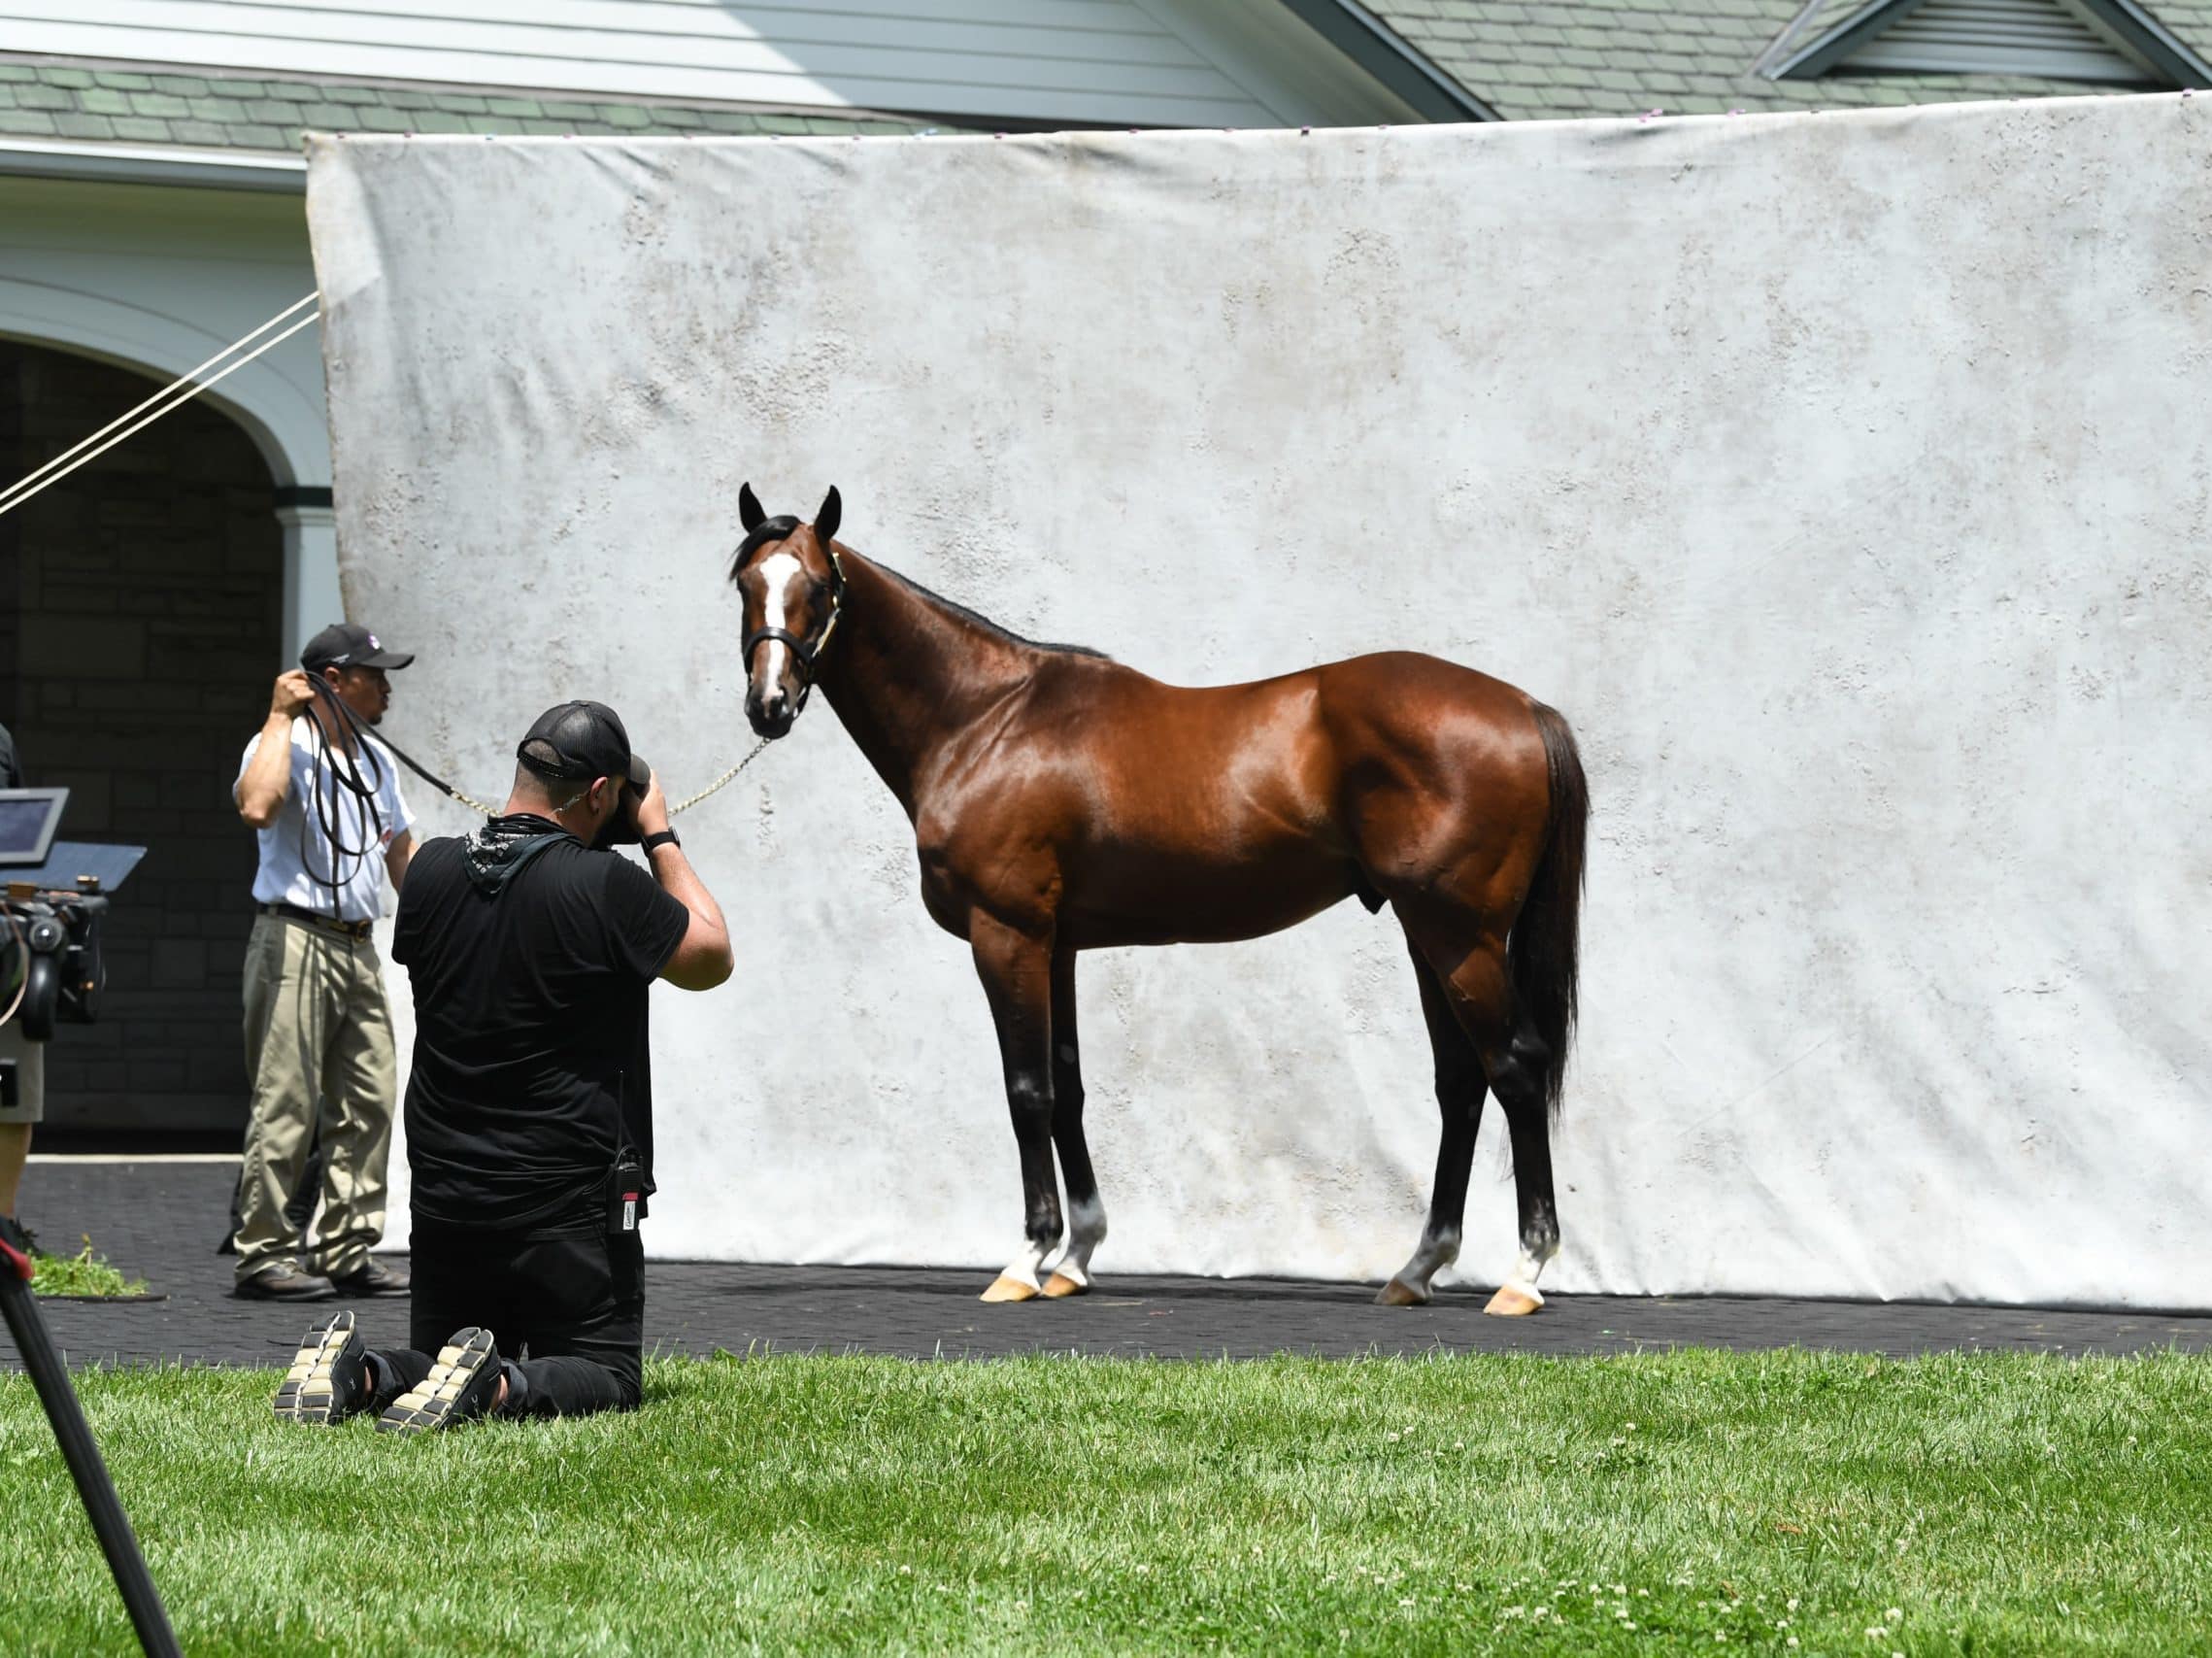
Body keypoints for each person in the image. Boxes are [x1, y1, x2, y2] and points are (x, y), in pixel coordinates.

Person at [272, 699, 731, 1434]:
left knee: (440, 1355)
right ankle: (496, 1390)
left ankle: (363, 1371)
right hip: (566, 1208)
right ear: (600, 795)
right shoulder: (605, 886)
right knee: (607, 1372)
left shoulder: (428, 874)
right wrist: (658, 833)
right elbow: (711, 955)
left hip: (450, 1199)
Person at [230, 623, 417, 1301]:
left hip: (359, 942)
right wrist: (281, 713)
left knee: (370, 1095)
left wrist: (448, 918)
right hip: (295, 936)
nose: (388, 686)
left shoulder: (376, 761)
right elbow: (257, 805)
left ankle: (344, 1243)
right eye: (375, 674)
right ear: (330, 681)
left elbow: (401, 852)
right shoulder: (281, 744)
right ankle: (262, 1253)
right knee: (286, 1099)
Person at [0, 719, 40, 1221]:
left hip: (2, 938)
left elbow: (20, 838)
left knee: (14, 1095)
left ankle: (3, 1231)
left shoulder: (1, 740)